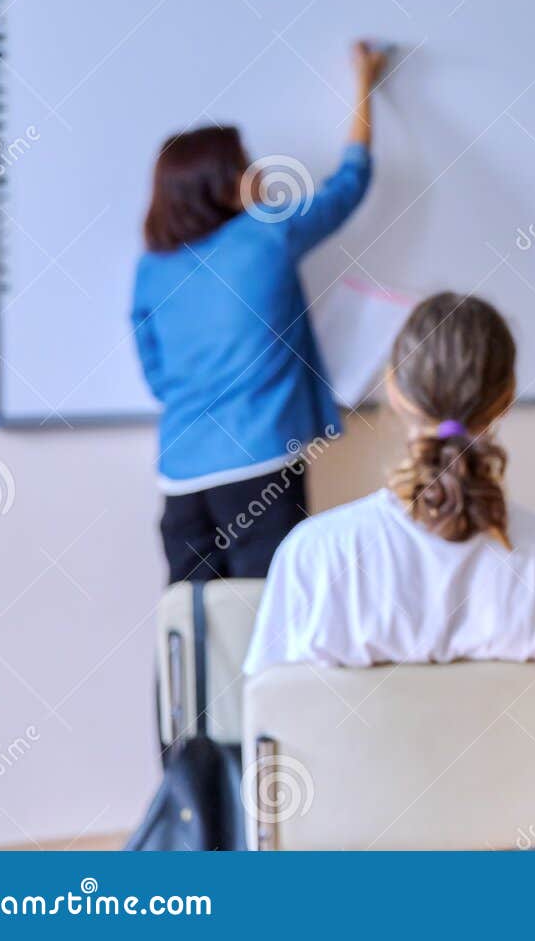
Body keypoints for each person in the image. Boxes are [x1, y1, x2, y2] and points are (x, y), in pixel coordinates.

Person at [243, 292, 535, 755]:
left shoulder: (315, 554)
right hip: (514, 826)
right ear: (505, 400)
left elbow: (267, 742)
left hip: (356, 826)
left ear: (394, 390)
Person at [132, 41, 387, 582]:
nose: (259, 172)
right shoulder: (268, 232)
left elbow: (157, 378)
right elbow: (349, 184)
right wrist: (365, 83)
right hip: (261, 469)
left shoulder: (154, 267)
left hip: (181, 477)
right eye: (245, 165)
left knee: (193, 630)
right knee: (267, 630)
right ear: (219, 185)